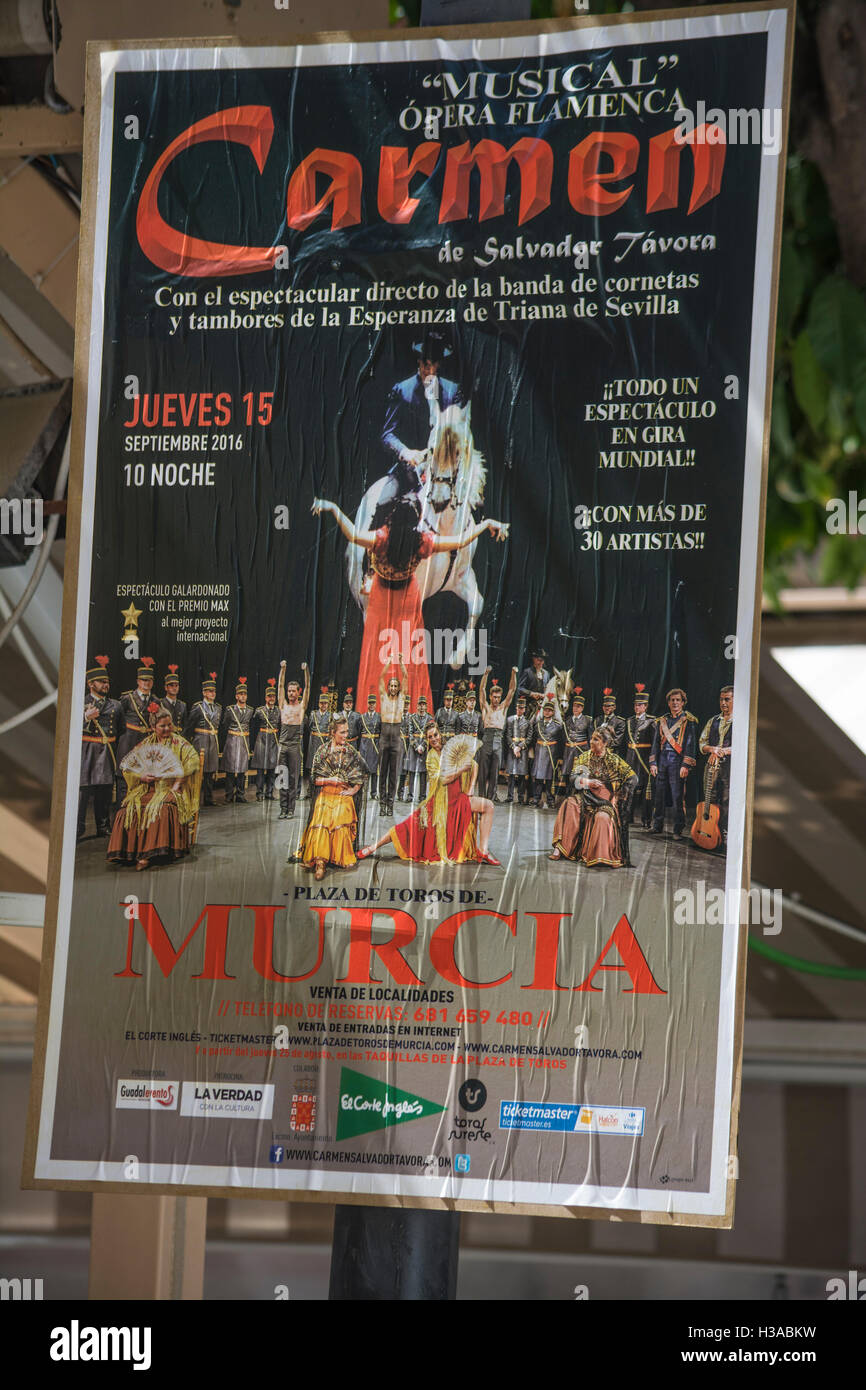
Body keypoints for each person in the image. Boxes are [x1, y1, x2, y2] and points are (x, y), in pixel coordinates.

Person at [311, 495, 508, 716]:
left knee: (377, 653)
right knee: (410, 653)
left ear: (392, 520)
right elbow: (461, 540)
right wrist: (485, 524)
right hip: (404, 595)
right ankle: (411, 711)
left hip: (384, 595)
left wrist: (333, 508)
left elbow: (353, 534)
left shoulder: (383, 537)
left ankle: (373, 711)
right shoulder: (421, 541)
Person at [359, 721, 500, 865]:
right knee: (406, 827)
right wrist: (461, 770)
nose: (434, 739)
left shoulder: (453, 748)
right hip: (438, 805)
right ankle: (372, 847)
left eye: (435, 735)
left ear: (440, 734)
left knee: (489, 806)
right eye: (430, 737)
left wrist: (470, 788)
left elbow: (474, 765)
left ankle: (483, 850)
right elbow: (444, 780)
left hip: (458, 800)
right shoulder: (431, 757)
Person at [107, 704, 201, 870]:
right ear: (152, 727)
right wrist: (141, 776)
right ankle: (128, 851)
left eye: (169, 725)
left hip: (170, 789)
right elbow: (129, 767)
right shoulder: (145, 744)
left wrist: (178, 781)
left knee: (162, 808)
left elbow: (193, 761)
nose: (167, 729)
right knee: (126, 807)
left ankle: (146, 855)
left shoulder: (180, 743)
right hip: (147, 788)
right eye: (162, 726)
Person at [381, 330, 463, 497]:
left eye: (435, 365)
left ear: (439, 364)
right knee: (382, 504)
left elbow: (460, 435)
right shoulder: (402, 390)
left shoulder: (453, 391)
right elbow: (387, 435)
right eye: (426, 364)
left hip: (446, 472)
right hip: (409, 472)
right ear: (418, 361)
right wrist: (405, 452)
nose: (430, 371)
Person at [549, 727, 637, 868]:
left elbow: (633, 778)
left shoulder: (614, 760)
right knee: (569, 804)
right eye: (591, 738)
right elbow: (573, 777)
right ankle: (561, 848)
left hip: (605, 801)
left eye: (596, 739)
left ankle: (599, 856)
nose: (591, 741)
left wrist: (621, 794)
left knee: (602, 817)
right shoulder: (585, 757)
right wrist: (588, 782)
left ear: (605, 743)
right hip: (587, 795)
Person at [298, 713, 368, 880]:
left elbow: (362, 773)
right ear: (332, 733)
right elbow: (315, 779)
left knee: (339, 817)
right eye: (342, 732)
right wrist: (331, 780)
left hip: (343, 795)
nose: (346, 735)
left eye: (346, 732)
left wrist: (354, 790)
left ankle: (335, 857)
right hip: (326, 793)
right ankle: (320, 863)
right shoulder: (322, 751)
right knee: (321, 819)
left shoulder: (351, 751)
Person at [79, 655, 122, 840]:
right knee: (83, 792)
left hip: (106, 751)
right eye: (101, 681)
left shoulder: (116, 705)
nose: (105, 684)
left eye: (107, 681)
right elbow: (67, 727)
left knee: (104, 791)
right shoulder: (80, 703)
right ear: (91, 684)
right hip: (86, 751)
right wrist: (86, 718)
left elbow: (120, 730)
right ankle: (78, 829)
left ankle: (103, 826)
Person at [649, 687, 697, 837]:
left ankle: (678, 829)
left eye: (678, 700)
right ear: (668, 703)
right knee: (659, 795)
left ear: (683, 702)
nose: (675, 703)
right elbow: (656, 743)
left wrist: (685, 765)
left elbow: (691, 744)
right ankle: (657, 825)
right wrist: (653, 763)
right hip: (662, 760)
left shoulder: (688, 721)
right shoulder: (662, 720)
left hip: (677, 761)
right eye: (672, 700)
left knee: (677, 797)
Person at [116, 655, 156, 809]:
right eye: (143, 680)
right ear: (138, 681)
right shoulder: (127, 699)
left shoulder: (155, 701)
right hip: (128, 740)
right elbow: (118, 720)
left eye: (149, 680)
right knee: (124, 777)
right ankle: (121, 815)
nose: (146, 683)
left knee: (144, 778)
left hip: (145, 742)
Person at [698, 685, 733, 845]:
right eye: (721, 699)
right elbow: (702, 743)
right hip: (711, 767)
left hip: (729, 768)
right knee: (709, 799)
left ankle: (725, 834)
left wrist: (723, 751)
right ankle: (708, 830)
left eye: (727, 699)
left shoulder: (740, 722)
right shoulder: (713, 721)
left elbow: (743, 745)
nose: (723, 703)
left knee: (726, 801)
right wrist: (712, 749)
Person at [276, 660, 310, 820]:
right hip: (283, 745)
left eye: (293, 691)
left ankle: (290, 809)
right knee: (282, 777)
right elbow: (279, 686)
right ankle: (283, 808)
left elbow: (308, 687)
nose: (290, 693)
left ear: (298, 692)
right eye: (289, 691)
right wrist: (283, 669)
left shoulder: (301, 707)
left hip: (295, 746)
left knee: (293, 778)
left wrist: (306, 671)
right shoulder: (283, 705)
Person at [478, 666, 517, 801]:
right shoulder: (486, 707)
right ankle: (482, 795)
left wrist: (513, 674)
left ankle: (491, 796)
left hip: (498, 741)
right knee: (483, 771)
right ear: (490, 697)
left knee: (495, 773)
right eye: (494, 697)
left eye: (498, 697)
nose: (496, 700)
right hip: (487, 739)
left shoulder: (503, 708)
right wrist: (485, 674)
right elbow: (482, 689)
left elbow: (512, 690)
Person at [377, 658, 409, 817]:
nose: (394, 688)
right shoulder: (383, 697)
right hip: (384, 736)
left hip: (396, 737)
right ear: (388, 687)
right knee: (382, 772)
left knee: (394, 773)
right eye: (392, 685)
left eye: (396, 686)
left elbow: (406, 677)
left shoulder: (402, 698)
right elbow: (380, 677)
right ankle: (382, 804)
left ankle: (390, 804)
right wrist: (389, 662)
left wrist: (401, 662)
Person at [184, 673, 222, 806]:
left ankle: (208, 798)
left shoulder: (218, 708)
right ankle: (194, 798)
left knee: (210, 772)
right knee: (198, 771)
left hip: (212, 741)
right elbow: (189, 727)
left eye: (214, 691)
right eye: (210, 691)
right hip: (200, 741)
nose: (212, 694)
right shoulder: (198, 707)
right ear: (204, 693)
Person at [625, 683, 657, 828]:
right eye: (636, 705)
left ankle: (646, 819)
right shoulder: (630, 720)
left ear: (646, 707)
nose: (637, 707)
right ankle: (628, 816)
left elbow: (655, 743)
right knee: (629, 787)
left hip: (644, 759)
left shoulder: (651, 721)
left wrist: (652, 761)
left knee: (646, 791)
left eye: (640, 705)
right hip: (631, 758)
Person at [221, 677, 253, 803]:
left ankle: (240, 794)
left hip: (244, 740)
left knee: (242, 769)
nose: (243, 696)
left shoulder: (250, 710)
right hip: (232, 740)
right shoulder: (230, 710)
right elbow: (225, 724)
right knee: (230, 769)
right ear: (236, 696)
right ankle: (229, 795)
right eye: (241, 694)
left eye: (245, 694)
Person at [251, 678, 280, 801]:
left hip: (273, 740)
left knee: (272, 769)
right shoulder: (259, 711)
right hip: (261, 740)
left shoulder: (279, 711)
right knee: (260, 769)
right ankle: (259, 793)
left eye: (273, 696)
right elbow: (253, 727)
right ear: (265, 698)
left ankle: (269, 793)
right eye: (269, 696)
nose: (271, 698)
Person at [532, 698, 563, 808]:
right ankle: (536, 798)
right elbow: (533, 737)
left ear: (553, 712)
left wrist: (559, 756)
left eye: (550, 710)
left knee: (550, 778)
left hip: (551, 753)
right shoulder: (538, 724)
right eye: (545, 710)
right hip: (540, 752)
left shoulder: (558, 726)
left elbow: (561, 742)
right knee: (538, 777)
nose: (547, 712)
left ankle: (550, 799)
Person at [401, 695, 432, 803]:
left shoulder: (429, 718)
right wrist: (415, 746)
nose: (422, 707)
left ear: (426, 707)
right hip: (413, 748)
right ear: (417, 706)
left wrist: (423, 745)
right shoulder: (412, 718)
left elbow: (430, 734)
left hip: (424, 747)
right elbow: (410, 734)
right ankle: (410, 795)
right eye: (420, 705)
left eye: (424, 705)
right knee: (412, 771)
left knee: (423, 773)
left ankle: (422, 796)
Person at [561, 688, 592, 788]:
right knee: (567, 773)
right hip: (568, 751)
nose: (575, 708)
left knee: (580, 774)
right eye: (574, 706)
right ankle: (568, 795)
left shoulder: (588, 720)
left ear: (582, 708)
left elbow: (590, 737)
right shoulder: (568, 720)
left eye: (578, 707)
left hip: (581, 751)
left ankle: (579, 796)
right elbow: (564, 737)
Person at [505, 694, 533, 804]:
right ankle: (510, 796)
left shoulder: (528, 722)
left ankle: (521, 797)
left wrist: (520, 747)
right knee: (511, 774)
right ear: (516, 708)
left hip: (523, 750)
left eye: (522, 708)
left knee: (521, 774)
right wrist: (513, 747)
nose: (520, 710)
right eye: (518, 707)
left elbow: (529, 737)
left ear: (525, 709)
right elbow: (507, 735)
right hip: (513, 749)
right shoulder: (510, 719)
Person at [358, 691, 381, 799]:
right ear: (367, 704)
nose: (371, 705)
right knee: (364, 770)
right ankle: (363, 791)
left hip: (375, 746)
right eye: (370, 703)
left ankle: (373, 793)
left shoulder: (379, 717)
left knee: (374, 771)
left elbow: (381, 732)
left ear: (376, 704)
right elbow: (359, 732)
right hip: (364, 746)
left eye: (373, 703)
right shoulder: (362, 717)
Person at [160, 664, 186, 734]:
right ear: (166, 687)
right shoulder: (160, 703)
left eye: (176, 686)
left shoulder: (183, 705)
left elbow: (185, 725)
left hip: (179, 738)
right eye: (171, 685)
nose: (174, 688)